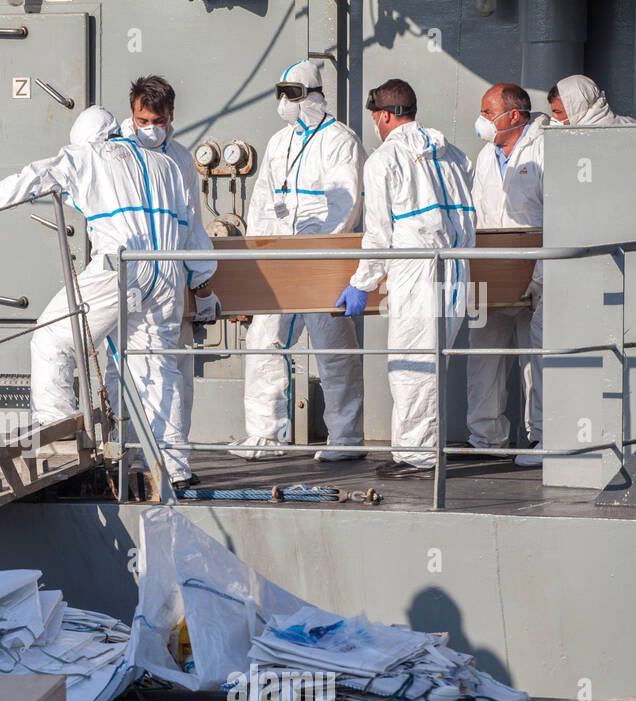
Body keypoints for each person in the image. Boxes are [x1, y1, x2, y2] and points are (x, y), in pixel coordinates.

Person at [0, 105, 216, 490]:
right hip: (165, 272)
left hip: (120, 269)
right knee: (154, 371)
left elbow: (35, 176)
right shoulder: (165, 164)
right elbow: (192, 226)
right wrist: (203, 284)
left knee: (53, 339)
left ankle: (59, 436)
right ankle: (172, 468)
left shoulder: (86, 154)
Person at [335, 79, 476, 478]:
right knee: (433, 362)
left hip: (416, 274)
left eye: (375, 119)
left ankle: (417, 458)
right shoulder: (452, 154)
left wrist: (361, 284)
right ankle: (422, 449)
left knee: (411, 366)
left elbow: (379, 235)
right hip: (457, 270)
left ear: (383, 115)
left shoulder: (384, 160)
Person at [231, 60, 366, 461]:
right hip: (279, 265)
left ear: (311, 95)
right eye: (281, 93)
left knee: (333, 349)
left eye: (291, 94)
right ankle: (264, 435)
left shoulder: (340, 140)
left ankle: (346, 438)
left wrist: (310, 250)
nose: (284, 103)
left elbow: (345, 202)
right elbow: (261, 202)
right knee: (263, 341)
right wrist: (260, 254)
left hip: (319, 261)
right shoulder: (279, 142)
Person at [118, 76, 218, 479]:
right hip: (124, 282)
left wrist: (203, 285)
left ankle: (174, 464)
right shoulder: (113, 154)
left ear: (171, 115)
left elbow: (191, 226)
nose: (150, 127)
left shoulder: (180, 159)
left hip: (168, 282)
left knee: (174, 372)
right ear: (132, 114)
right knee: (122, 371)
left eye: (157, 119)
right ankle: (122, 459)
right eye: (142, 119)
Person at [468, 83, 547, 467]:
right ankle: (486, 437)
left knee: (536, 361)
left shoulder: (547, 148)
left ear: (512, 115)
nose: (481, 119)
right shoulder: (486, 155)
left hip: (535, 277)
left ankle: (541, 438)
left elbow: (556, 216)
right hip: (491, 275)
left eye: (487, 111)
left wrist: (541, 277)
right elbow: (479, 215)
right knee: (482, 358)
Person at [547, 75, 636, 127]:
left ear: (578, 107)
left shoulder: (578, 139)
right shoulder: (630, 125)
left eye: (558, 112)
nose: (554, 118)